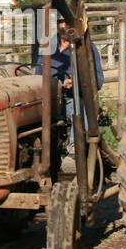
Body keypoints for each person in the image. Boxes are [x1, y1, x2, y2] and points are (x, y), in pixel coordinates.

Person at [39, 19, 104, 155]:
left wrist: (77, 83)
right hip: (49, 100)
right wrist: (59, 84)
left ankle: (74, 149)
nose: (64, 26)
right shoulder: (47, 46)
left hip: (71, 99)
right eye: (61, 22)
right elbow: (37, 76)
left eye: (67, 22)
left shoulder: (87, 47)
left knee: (79, 107)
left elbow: (97, 80)